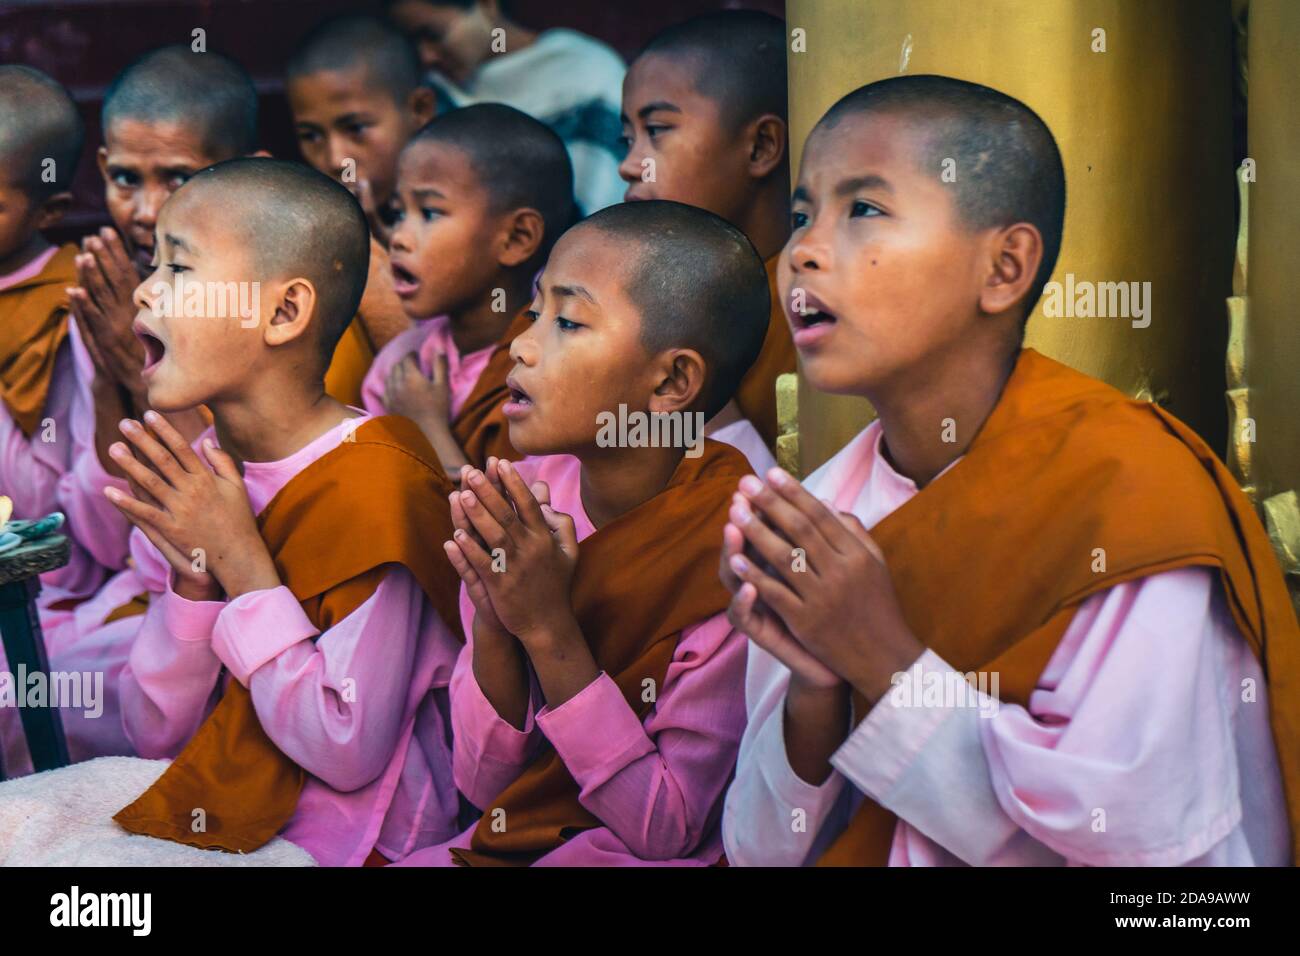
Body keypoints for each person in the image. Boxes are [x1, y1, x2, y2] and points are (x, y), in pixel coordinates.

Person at [720, 75, 1300, 866]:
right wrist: (817, 691)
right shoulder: (823, 512)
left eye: (863, 209)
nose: (804, 252)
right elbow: (760, 850)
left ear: (1004, 267)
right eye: (800, 216)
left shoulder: (1125, 492)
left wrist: (884, 661)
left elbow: (1155, 867)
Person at [396, 200, 768, 865]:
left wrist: (546, 628)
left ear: (672, 381)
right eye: (534, 312)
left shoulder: (732, 554)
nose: (523, 344)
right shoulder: (527, 498)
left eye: (568, 321)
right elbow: (482, 786)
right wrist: (494, 619)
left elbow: (665, 828)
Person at [361, 104, 574, 477]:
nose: (398, 238)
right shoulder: (403, 365)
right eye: (398, 213)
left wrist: (427, 427)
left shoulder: (559, 367)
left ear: (516, 238)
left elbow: (525, 523)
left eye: (429, 213)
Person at [620, 11, 794, 453]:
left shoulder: (806, 307)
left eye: (656, 130)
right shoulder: (638, 294)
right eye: (628, 139)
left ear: (760, 146)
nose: (629, 164)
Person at [386, 0, 625, 214]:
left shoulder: (587, 74)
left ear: (487, 5)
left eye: (433, 34)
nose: (426, 55)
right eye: (413, 43)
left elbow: (598, 200)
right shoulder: (434, 92)